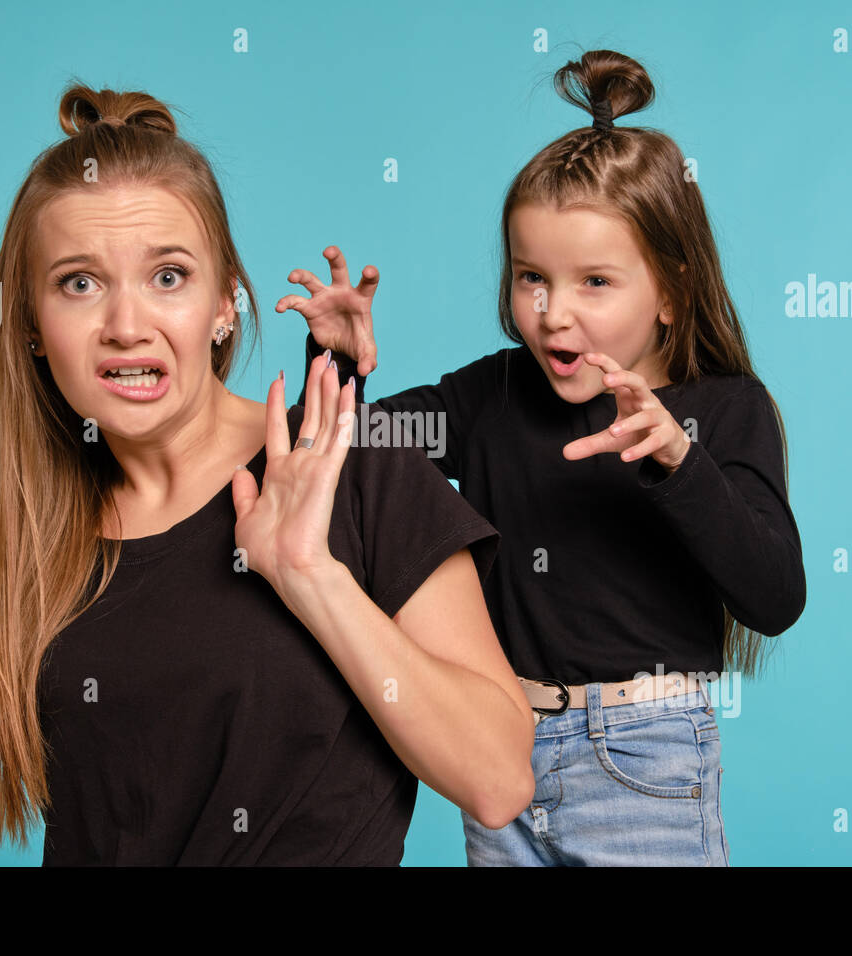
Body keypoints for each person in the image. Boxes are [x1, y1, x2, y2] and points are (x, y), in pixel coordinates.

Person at [0, 83, 534, 865]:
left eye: (167, 276)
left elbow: (499, 778)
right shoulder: (27, 527)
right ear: (34, 328)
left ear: (224, 304)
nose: (127, 326)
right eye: (80, 283)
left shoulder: (350, 461)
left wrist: (310, 574)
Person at [282, 49, 807, 866]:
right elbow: (334, 452)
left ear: (670, 289)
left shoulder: (724, 409)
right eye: (533, 278)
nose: (553, 314)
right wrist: (337, 366)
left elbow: (774, 598)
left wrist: (677, 459)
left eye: (595, 282)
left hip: (646, 755)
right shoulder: (491, 397)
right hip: (506, 758)